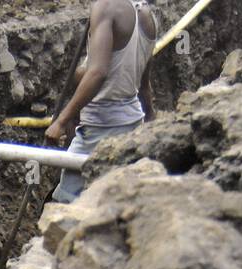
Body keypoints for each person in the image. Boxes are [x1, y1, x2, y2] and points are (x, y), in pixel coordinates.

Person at [46, 0, 158, 202]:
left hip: (101, 126)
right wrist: (150, 117)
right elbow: (142, 83)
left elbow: (98, 73)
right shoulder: (146, 14)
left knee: (65, 205)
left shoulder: (106, 8)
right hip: (132, 122)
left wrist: (61, 122)